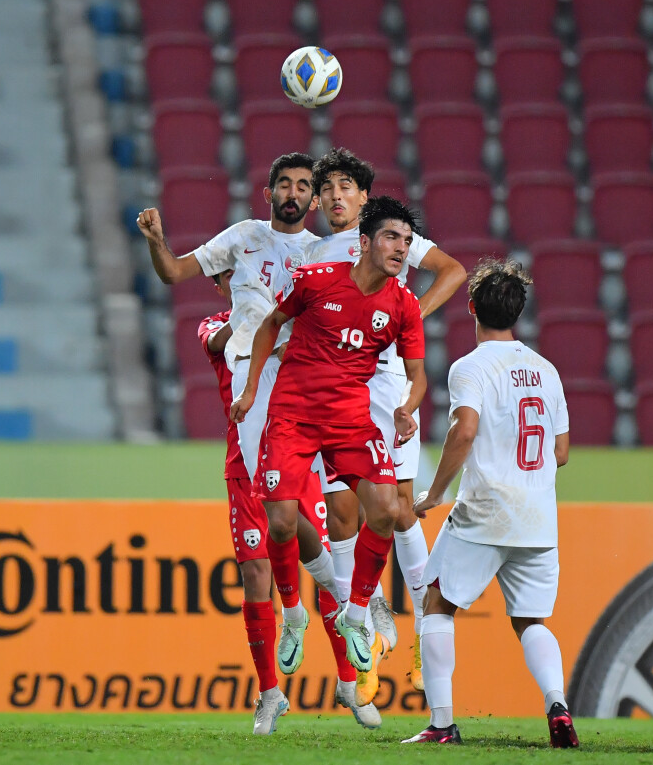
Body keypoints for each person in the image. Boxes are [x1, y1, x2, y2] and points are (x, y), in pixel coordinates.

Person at [138, 153, 369, 733]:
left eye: (302, 186)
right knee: (265, 551)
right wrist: (157, 241)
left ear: (314, 201)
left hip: (299, 407)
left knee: (298, 522)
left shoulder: (323, 256)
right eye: (283, 184)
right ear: (267, 193)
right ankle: (276, 683)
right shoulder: (238, 252)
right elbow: (173, 275)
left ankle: (347, 672)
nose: (292, 193)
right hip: (251, 417)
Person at [230, 196, 428, 687]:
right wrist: (253, 387)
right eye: (390, 237)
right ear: (364, 243)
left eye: (406, 241)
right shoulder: (317, 282)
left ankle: (356, 613)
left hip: (349, 421)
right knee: (280, 522)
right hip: (292, 414)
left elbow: (420, 375)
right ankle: (294, 616)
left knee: (384, 509)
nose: (400, 248)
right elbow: (272, 324)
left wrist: (406, 408)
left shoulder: (403, 305)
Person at [306, 148, 467, 704]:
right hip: (334, 394)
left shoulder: (386, 236)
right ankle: (366, 638)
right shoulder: (312, 253)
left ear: (363, 197)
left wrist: (406, 317)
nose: (334, 196)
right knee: (342, 513)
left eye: (345, 186)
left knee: (398, 508)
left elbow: (454, 270)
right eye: (325, 188)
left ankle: (424, 629)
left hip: (389, 388)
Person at [404, 258, 578, 748]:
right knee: (530, 621)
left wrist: (434, 494)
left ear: (471, 307)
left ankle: (441, 726)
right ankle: (558, 707)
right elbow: (560, 453)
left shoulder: (470, 367)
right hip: (538, 518)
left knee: (436, 603)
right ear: (518, 312)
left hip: (483, 511)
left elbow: (465, 431)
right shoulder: (546, 370)